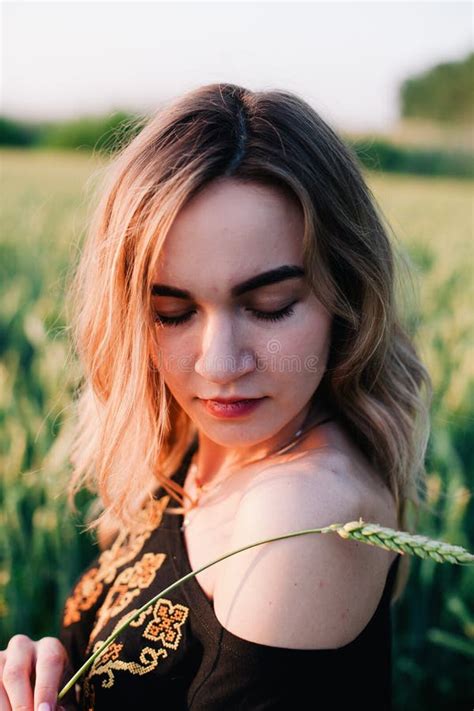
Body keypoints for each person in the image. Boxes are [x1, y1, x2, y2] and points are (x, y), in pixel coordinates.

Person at [0, 82, 432, 710]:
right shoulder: (191, 446)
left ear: (347, 299)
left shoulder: (299, 516)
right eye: (171, 312)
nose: (221, 364)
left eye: (270, 306)